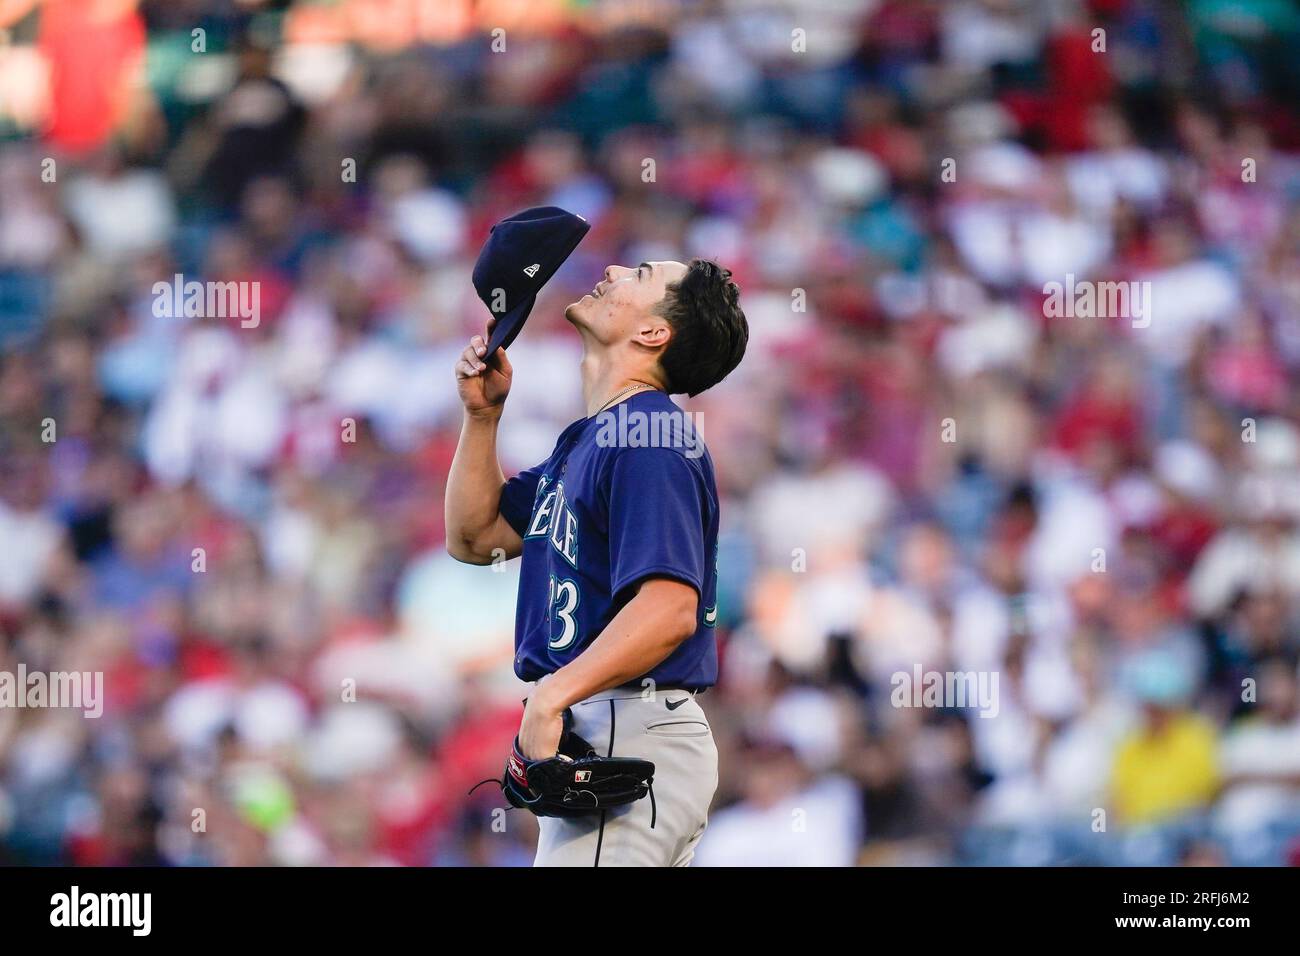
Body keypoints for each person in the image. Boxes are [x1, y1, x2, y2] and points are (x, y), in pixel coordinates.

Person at [445, 258, 747, 865]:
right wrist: (483, 418)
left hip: (626, 718)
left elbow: (669, 609)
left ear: (653, 333)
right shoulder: (596, 438)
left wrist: (554, 696)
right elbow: (474, 537)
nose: (611, 268)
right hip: (618, 722)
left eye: (639, 273)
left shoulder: (649, 433)